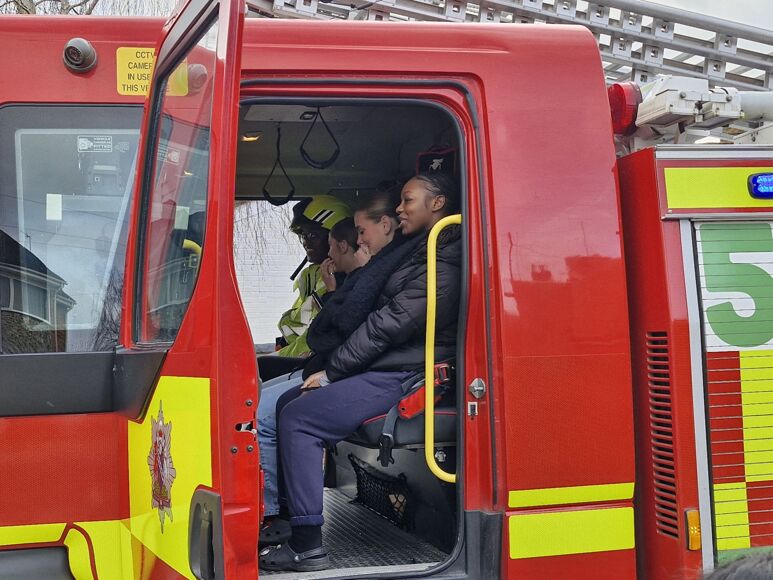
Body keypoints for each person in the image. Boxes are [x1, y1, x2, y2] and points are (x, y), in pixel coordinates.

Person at [259, 173, 461, 572]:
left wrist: (333, 373)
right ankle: (289, 522)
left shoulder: (442, 259)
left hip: (407, 372)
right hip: (391, 364)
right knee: (288, 403)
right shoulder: (418, 251)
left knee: (298, 417)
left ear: (437, 204)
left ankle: (306, 545)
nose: (401, 209)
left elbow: (388, 325)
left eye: (409, 200)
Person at [258, 187, 416, 546]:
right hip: (338, 364)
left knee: (284, 416)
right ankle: (287, 515)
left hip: (381, 371)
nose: (358, 241)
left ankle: (292, 526)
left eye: (362, 233)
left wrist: (332, 374)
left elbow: (362, 330)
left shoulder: (393, 269)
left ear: (385, 226)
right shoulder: (370, 271)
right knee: (273, 403)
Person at [275, 195, 352, 357]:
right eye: (303, 235)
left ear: (338, 238)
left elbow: (309, 336)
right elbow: (295, 325)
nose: (306, 243)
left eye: (313, 236)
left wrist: (275, 359)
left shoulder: (337, 277)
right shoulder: (311, 275)